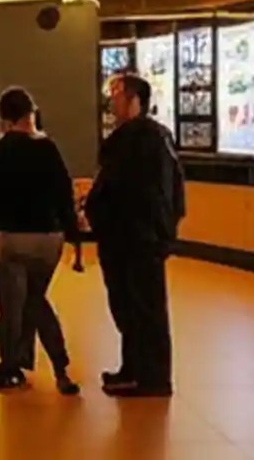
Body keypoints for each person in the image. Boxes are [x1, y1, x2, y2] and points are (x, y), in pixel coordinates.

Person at [0, 87, 81, 394]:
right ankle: (61, 369)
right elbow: (64, 196)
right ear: (30, 114)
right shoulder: (49, 149)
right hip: (48, 241)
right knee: (35, 301)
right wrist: (73, 240)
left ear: (3, 118)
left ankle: (10, 369)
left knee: (10, 306)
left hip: (11, 239)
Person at [86, 74, 185, 398]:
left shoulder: (141, 140)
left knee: (143, 307)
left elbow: (134, 191)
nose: (112, 101)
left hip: (135, 238)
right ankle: (134, 368)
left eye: (118, 94)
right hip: (133, 237)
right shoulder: (146, 138)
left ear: (135, 100)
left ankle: (152, 377)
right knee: (129, 306)